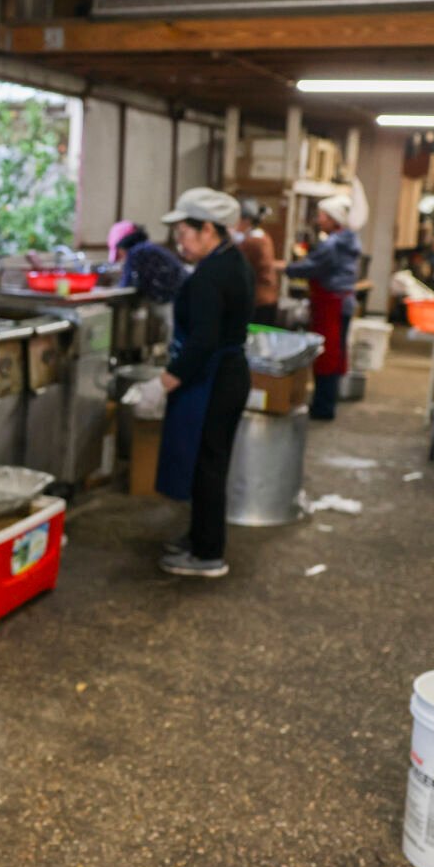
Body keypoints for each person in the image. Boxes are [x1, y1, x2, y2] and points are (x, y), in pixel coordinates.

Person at [154, 188, 254, 579]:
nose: (179, 241)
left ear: (208, 229)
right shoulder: (231, 260)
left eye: (184, 232)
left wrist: (168, 378)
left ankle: (209, 553)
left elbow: (203, 340)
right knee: (205, 461)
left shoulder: (212, 275)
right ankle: (198, 536)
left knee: (208, 465)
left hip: (215, 378)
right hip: (226, 373)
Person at [286, 194, 360, 421]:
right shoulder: (349, 238)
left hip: (331, 303)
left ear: (333, 218)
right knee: (336, 353)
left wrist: (285, 268)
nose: (318, 220)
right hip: (342, 302)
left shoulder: (332, 243)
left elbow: (312, 266)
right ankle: (327, 402)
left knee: (326, 354)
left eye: (321, 216)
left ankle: (323, 407)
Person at [237, 197, 280, 326]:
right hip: (267, 298)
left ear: (245, 221)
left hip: (259, 300)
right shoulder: (262, 236)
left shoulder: (252, 241)